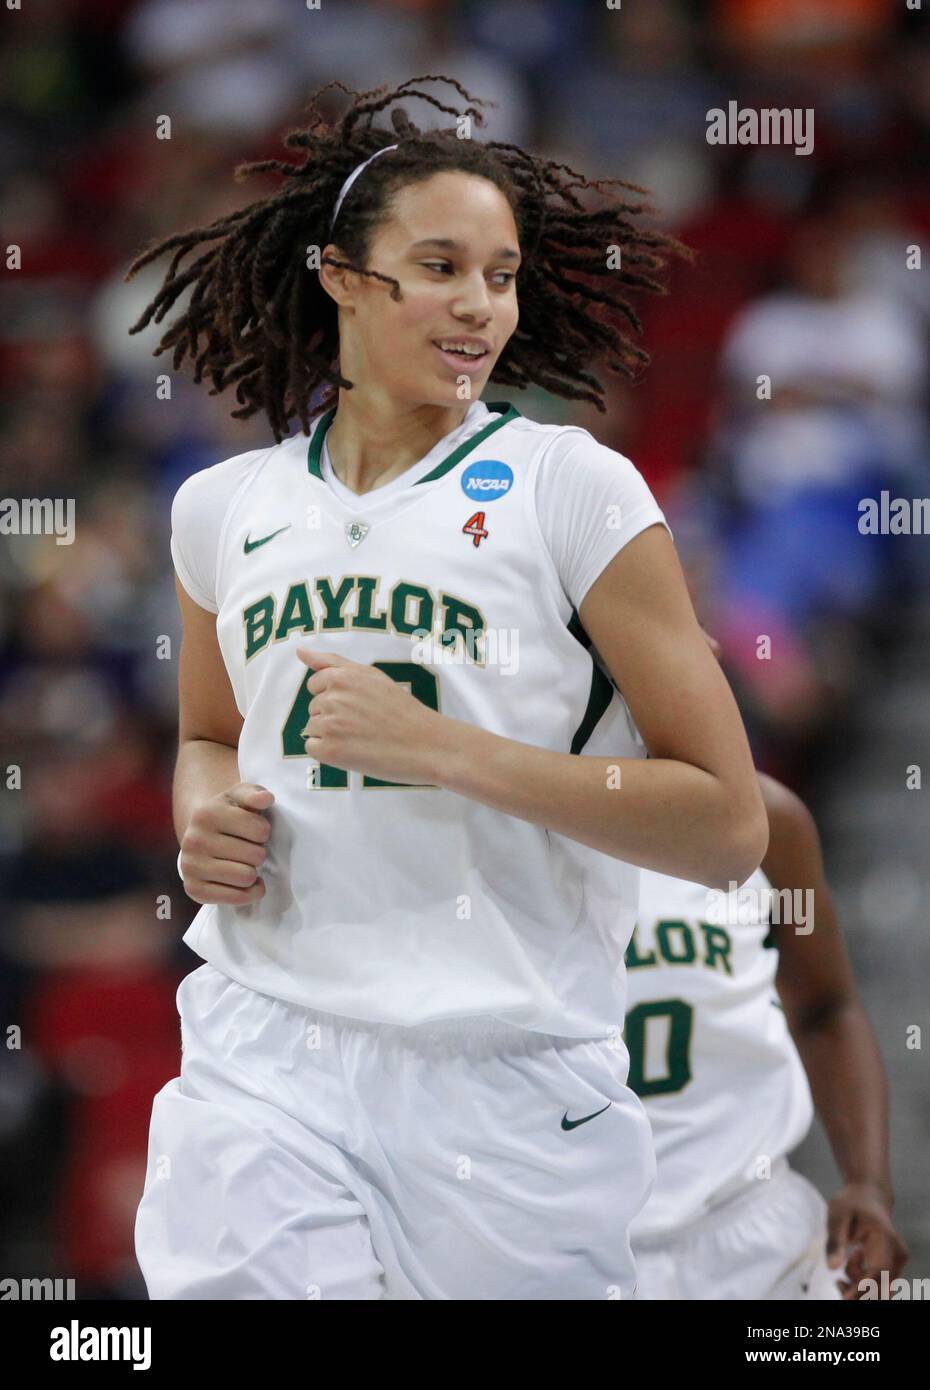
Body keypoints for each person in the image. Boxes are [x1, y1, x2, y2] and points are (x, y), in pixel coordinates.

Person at [130, 76, 767, 1300]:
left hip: (513, 1078)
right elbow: (210, 736)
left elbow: (728, 826)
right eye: (439, 267)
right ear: (339, 277)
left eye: (503, 273)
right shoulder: (221, 511)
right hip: (266, 1050)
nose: (481, 305)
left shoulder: (574, 491)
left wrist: (449, 750)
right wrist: (199, 815)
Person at [627, 753, 908, 1300]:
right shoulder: (509, 820)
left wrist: (867, 1184)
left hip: (755, 1231)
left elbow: (825, 1007)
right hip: (573, 1240)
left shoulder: (767, 818)